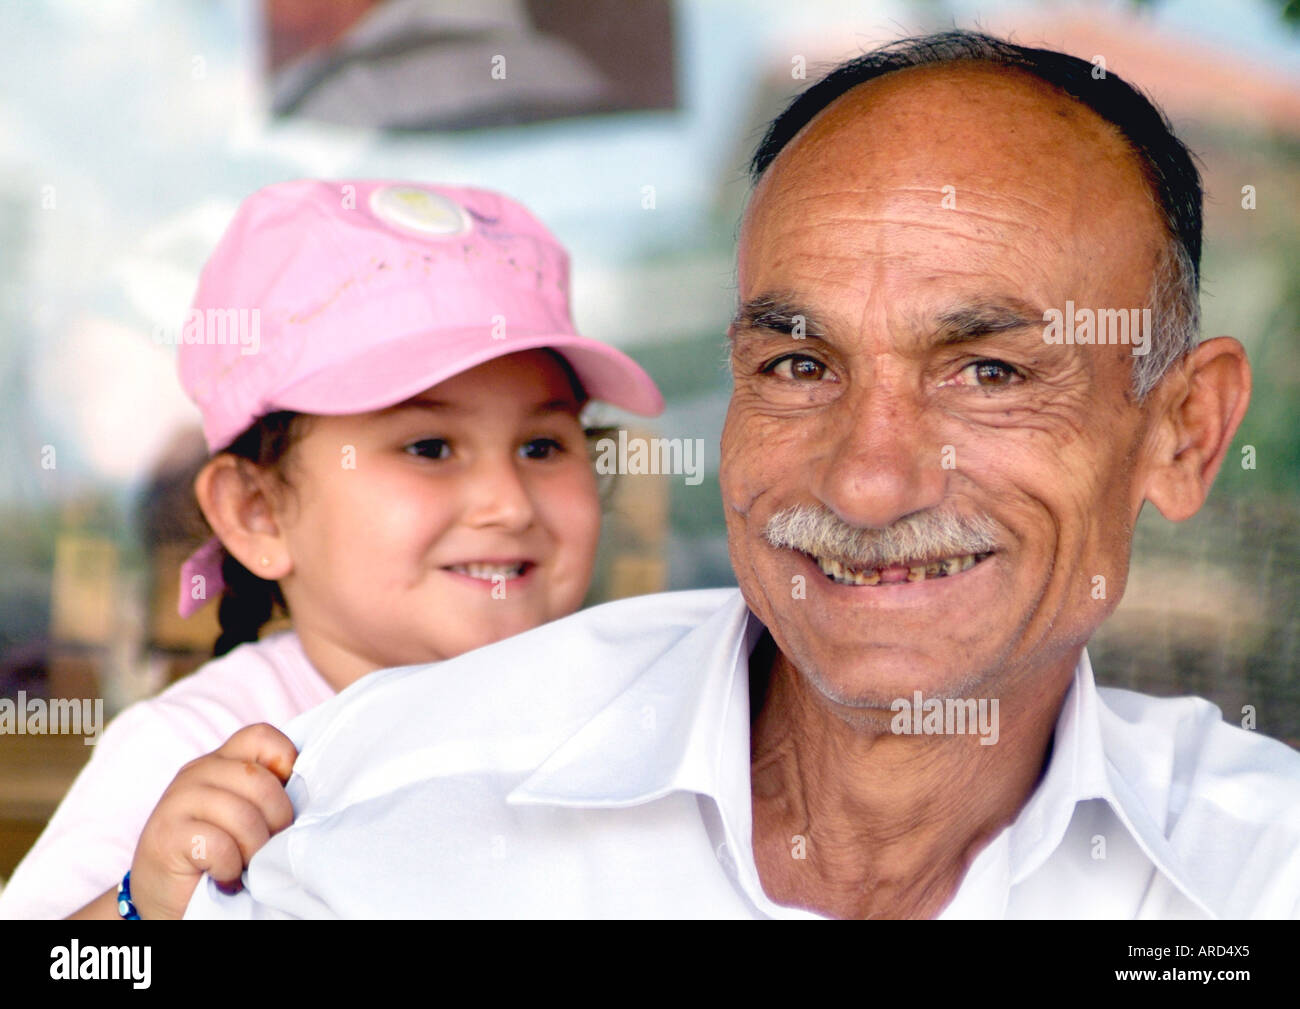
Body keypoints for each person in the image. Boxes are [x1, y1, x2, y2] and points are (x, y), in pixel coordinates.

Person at [185, 32, 1299, 920]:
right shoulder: (391, 801)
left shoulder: (1254, 870)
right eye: (800, 365)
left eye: (990, 372)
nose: (867, 484)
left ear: (1185, 433)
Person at [0, 179, 662, 920]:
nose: (508, 502)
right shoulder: (189, 747)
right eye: (430, 446)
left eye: (543, 444)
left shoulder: (635, 719)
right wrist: (143, 903)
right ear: (258, 512)